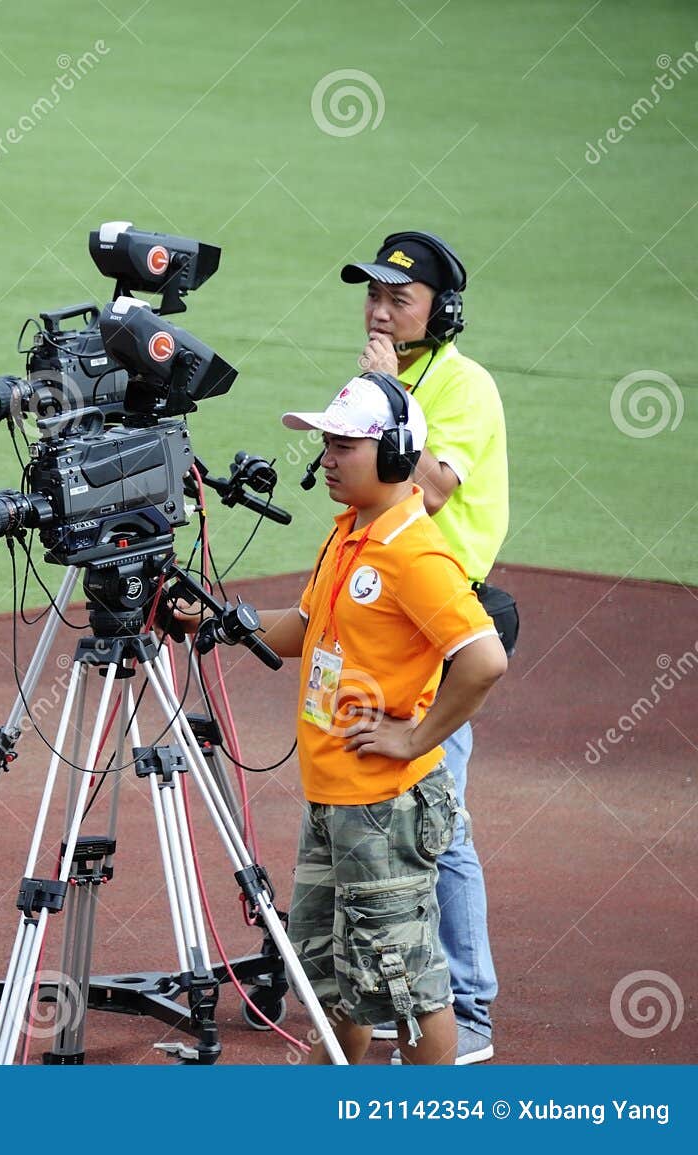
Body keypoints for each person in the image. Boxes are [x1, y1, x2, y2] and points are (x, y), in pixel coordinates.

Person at [186, 374, 507, 1063]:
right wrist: (213, 618)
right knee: (328, 975)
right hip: (332, 797)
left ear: (394, 455)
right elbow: (306, 627)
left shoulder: (414, 552)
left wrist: (416, 736)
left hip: (385, 803)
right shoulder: (349, 534)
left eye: (343, 445)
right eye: (325, 443)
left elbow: (484, 658)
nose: (325, 458)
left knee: (407, 989)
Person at [341, 231, 515, 1064]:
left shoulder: (461, 385)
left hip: (441, 621)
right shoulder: (391, 381)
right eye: (372, 294)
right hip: (378, 619)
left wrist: (377, 388)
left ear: (440, 311)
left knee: (437, 816)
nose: (378, 309)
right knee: (365, 805)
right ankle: (375, 990)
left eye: (397, 298)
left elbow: (430, 492)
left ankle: (469, 1009)